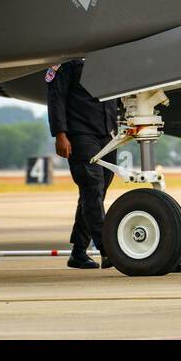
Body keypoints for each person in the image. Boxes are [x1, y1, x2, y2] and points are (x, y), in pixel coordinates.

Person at [47, 59, 119, 269]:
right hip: (81, 135)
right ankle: (109, 250)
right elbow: (55, 98)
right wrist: (60, 134)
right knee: (92, 189)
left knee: (95, 194)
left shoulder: (107, 57)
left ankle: (79, 251)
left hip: (108, 134)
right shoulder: (65, 62)